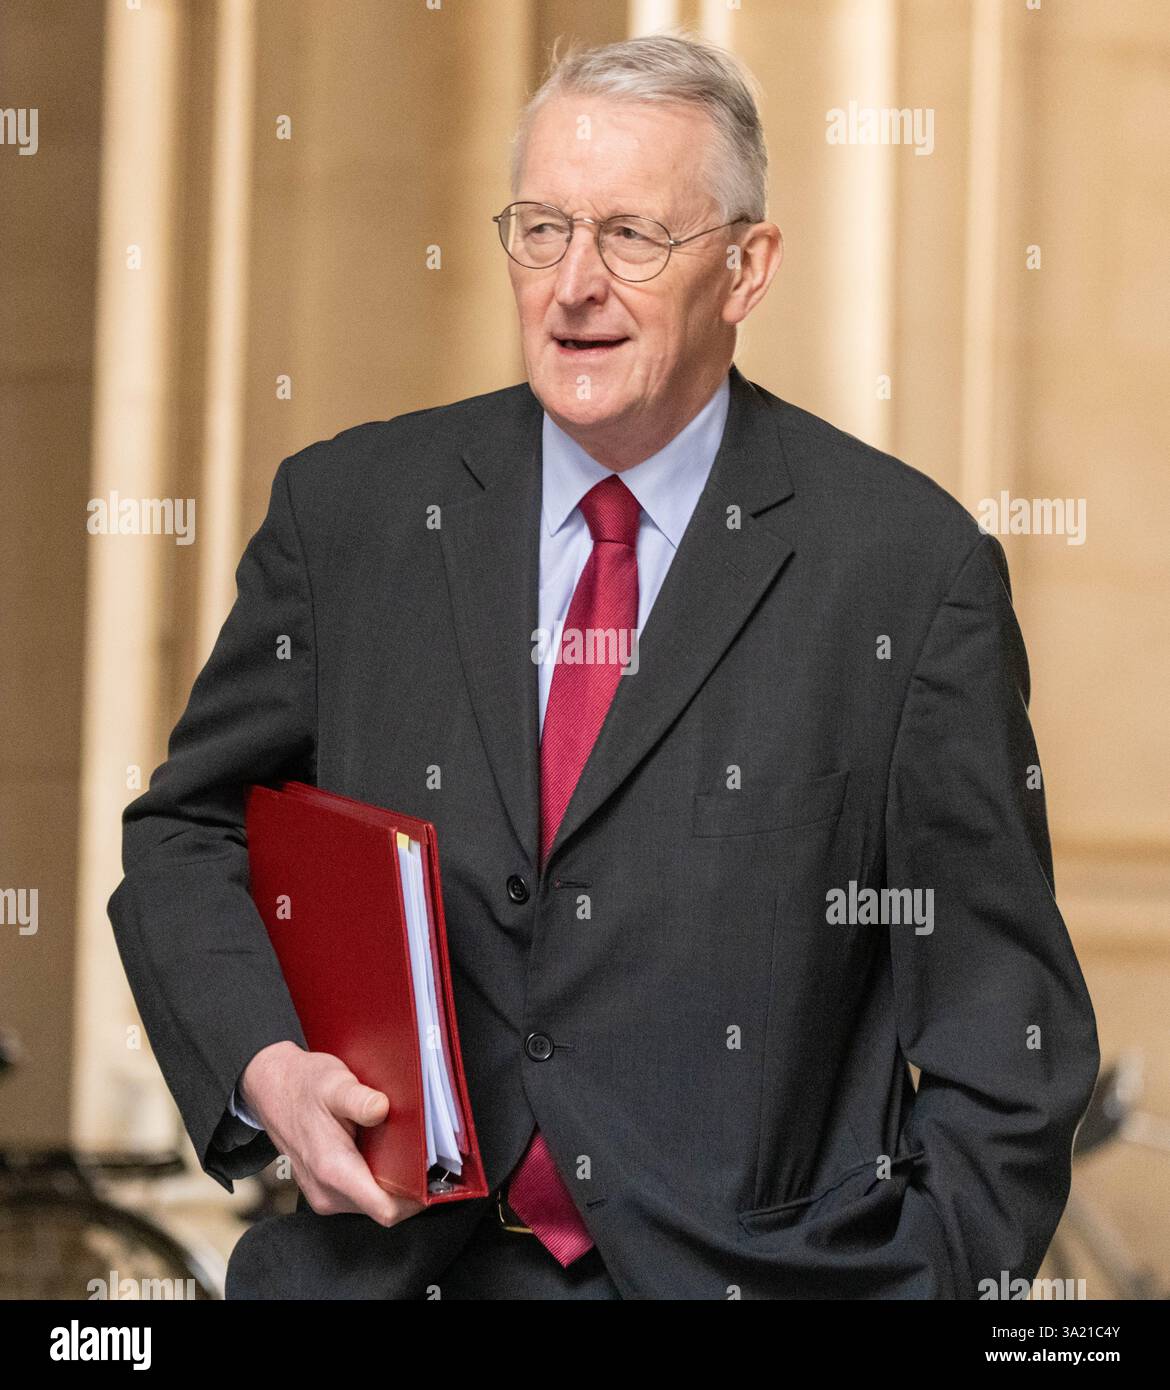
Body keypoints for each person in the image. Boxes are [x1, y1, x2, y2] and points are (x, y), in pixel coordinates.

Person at [108, 32, 1099, 1300]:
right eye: (540, 230)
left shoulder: (907, 571)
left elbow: (1006, 1030)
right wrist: (264, 1066)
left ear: (746, 269)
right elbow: (187, 830)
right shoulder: (351, 515)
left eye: (631, 237)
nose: (574, 283)